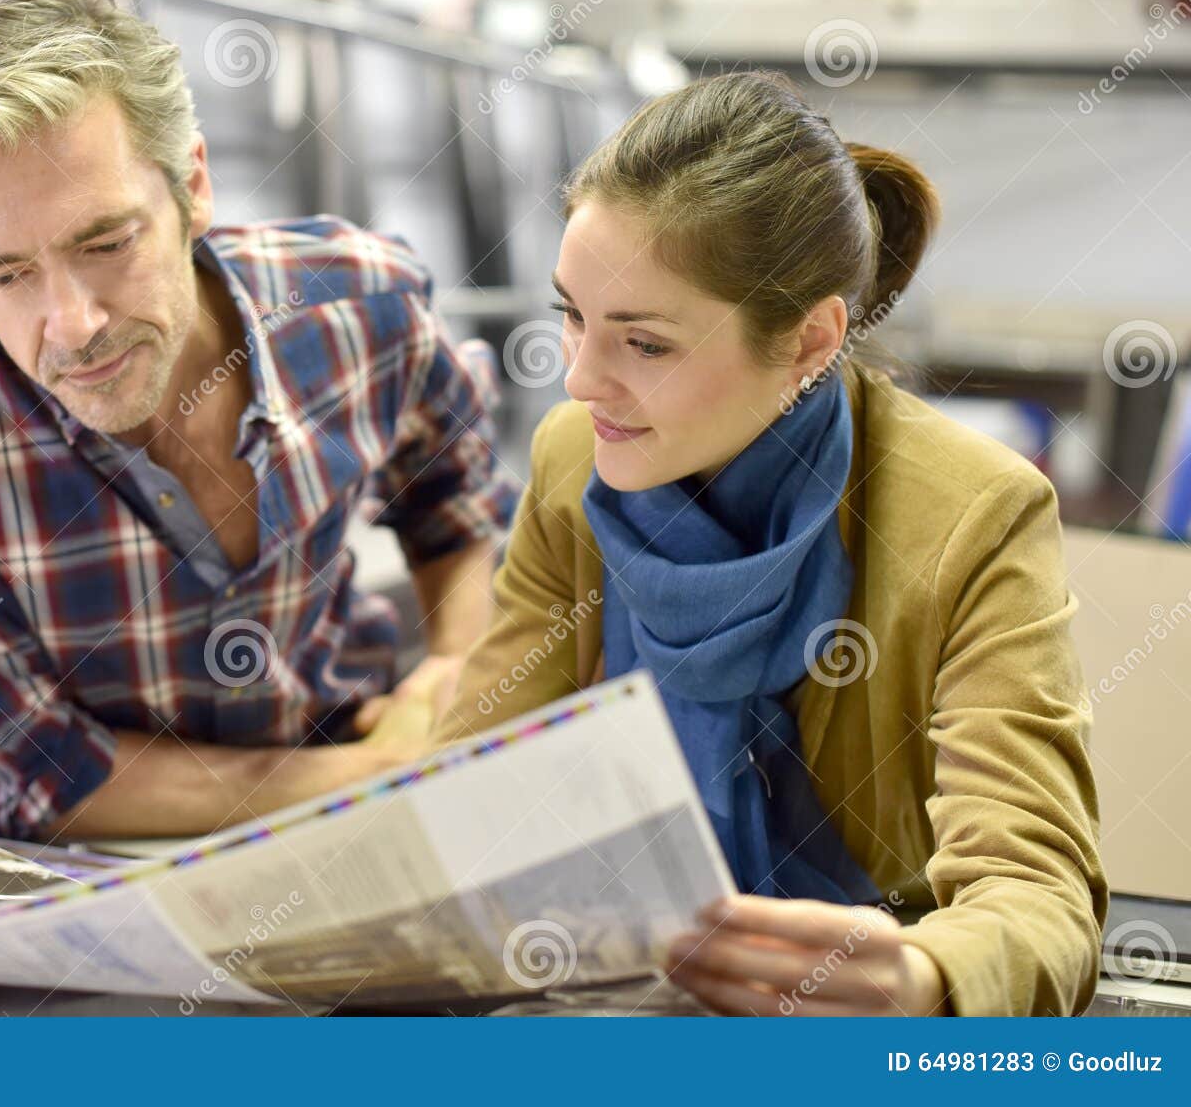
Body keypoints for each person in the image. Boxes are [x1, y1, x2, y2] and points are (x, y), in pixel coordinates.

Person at [433, 70, 1107, 1016]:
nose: (579, 380)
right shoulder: (569, 463)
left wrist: (923, 977)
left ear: (809, 341)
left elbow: (1039, 893)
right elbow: (478, 777)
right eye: (572, 319)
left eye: (645, 344)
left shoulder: (973, 516)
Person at [0, 0, 517, 843]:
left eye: (106, 243)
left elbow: (455, 499)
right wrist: (377, 775)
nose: (73, 324)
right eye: (5, 273)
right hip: (102, 873)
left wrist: (457, 667)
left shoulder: (357, 300)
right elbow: (32, 776)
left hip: (360, 795)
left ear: (194, 186)